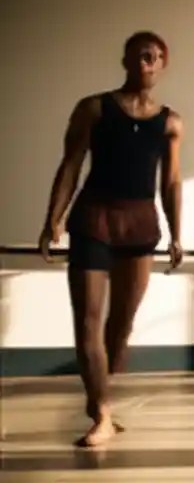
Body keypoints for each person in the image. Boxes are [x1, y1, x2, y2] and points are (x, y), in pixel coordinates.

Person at [36, 31, 185, 448]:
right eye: (138, 56)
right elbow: (70, 165)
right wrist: (53, 220)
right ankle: (100, 413)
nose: (145, 63)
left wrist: (177, 234)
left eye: (153, 57)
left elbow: (171, 181)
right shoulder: (93, 109)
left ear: (163, 64)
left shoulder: (170, 122)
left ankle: (101, 398)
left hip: (140, 225)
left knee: (120, 327)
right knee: (88, 322)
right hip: (94, 220)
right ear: (125, 61)